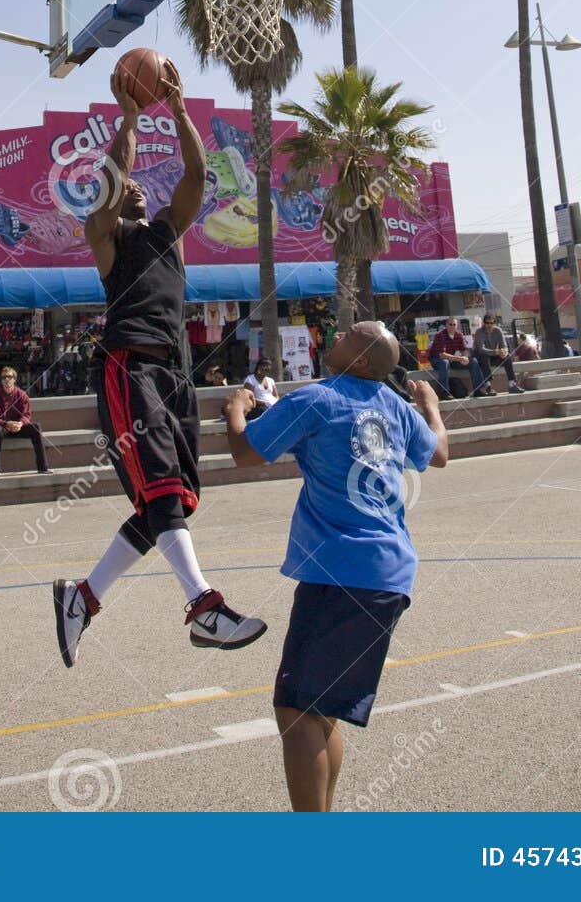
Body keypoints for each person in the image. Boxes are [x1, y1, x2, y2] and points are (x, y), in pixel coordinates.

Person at [53, 61, 266, 666]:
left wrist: (175, 108)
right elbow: (110, 182)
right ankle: (204, 607)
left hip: (174, 376)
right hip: (131, 369)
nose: (137, 188)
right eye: (127, 189)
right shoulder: (106, 238)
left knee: (170, 503)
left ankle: (83, 598)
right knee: (165, 494)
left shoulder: (170, 231)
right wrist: (127, 119)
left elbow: (197, 173)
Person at [223, 321, 447, 813]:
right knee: (322, 710)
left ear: (361, 359)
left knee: (295, 709)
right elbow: (440, 453)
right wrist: (430, 406)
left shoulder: (317, 399)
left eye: (348, 334)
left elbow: (244, 454)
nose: (337, 333)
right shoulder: (395, 407)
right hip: (388, 572)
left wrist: (237, 411)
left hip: (339, 575)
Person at [0, 367, 48, 475]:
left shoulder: (21, 394)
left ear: (14, 379)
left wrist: (21, 423)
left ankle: (43, 467)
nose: (6, 379)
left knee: (36, 427)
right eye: (3, 377)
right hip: (3, 428)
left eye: (9, 377)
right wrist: (6, 423)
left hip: (19, 427)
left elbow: (27, 414)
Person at [429, 318, 491, 397]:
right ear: (446, 325)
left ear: (457, 326)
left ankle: (478, 390)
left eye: (454, 324)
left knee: (473, 361)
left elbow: (463, 350)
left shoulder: (459, 335)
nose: (452, 326)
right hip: (436, 360)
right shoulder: (440, 335)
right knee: (445, 362)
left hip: (451, 359)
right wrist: (459, 358)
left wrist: (465, 357)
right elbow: (442, 355)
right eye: (450, 324)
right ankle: (444, 392)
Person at [473, 316, 527, 394]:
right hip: (481, 357)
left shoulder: (498, 331)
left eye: (492, 323)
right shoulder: (479, 332)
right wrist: (496, 352)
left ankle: (512, 384)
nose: (489, 325)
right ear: (483, 324)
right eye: (487, 323)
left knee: (507, 357)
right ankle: (488, 386)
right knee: (484, 357)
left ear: (494, 324)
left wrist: (503, 352)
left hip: (493, 356)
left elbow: (504, 345)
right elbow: (481, 349)